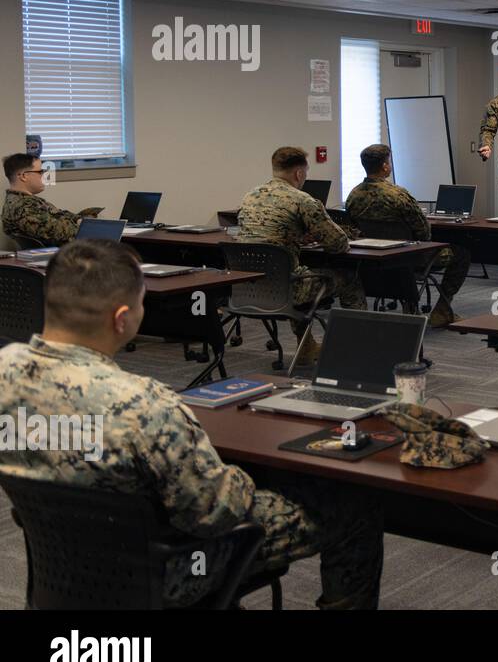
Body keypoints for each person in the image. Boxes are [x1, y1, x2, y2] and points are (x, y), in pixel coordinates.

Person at [0, 240, 383, 608]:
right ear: (122, 319)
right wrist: (256, 477)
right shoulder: (144, 403)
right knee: (354, 508)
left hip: (66, 565)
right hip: (169, 573)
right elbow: (215, 511)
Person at [237, 146, 365, 363]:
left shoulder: (250, 196)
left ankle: (306, 346)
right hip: (288, 288)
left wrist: (297, 237)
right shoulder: (302, 200)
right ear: (299, 173)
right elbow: (338, 244)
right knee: (350, 279)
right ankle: (356, 348)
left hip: (248, 287)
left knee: (296, 270)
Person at [345, 144, 471, 328]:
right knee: (462, 253)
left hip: (375, 258)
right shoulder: (399, 195)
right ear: (385, 166)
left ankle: (412, 303)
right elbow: (424, 232)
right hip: (411, 257)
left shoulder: (353, 195)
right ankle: (442, 310)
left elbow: (353, 229)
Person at [2, 153, 103, 246]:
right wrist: (89, 227)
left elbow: (59, 215)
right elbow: (60, 232)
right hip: (64, 257)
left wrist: (80, 219)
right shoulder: (23, 208)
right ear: (24, 176)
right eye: (40, 172)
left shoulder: (26, 201)